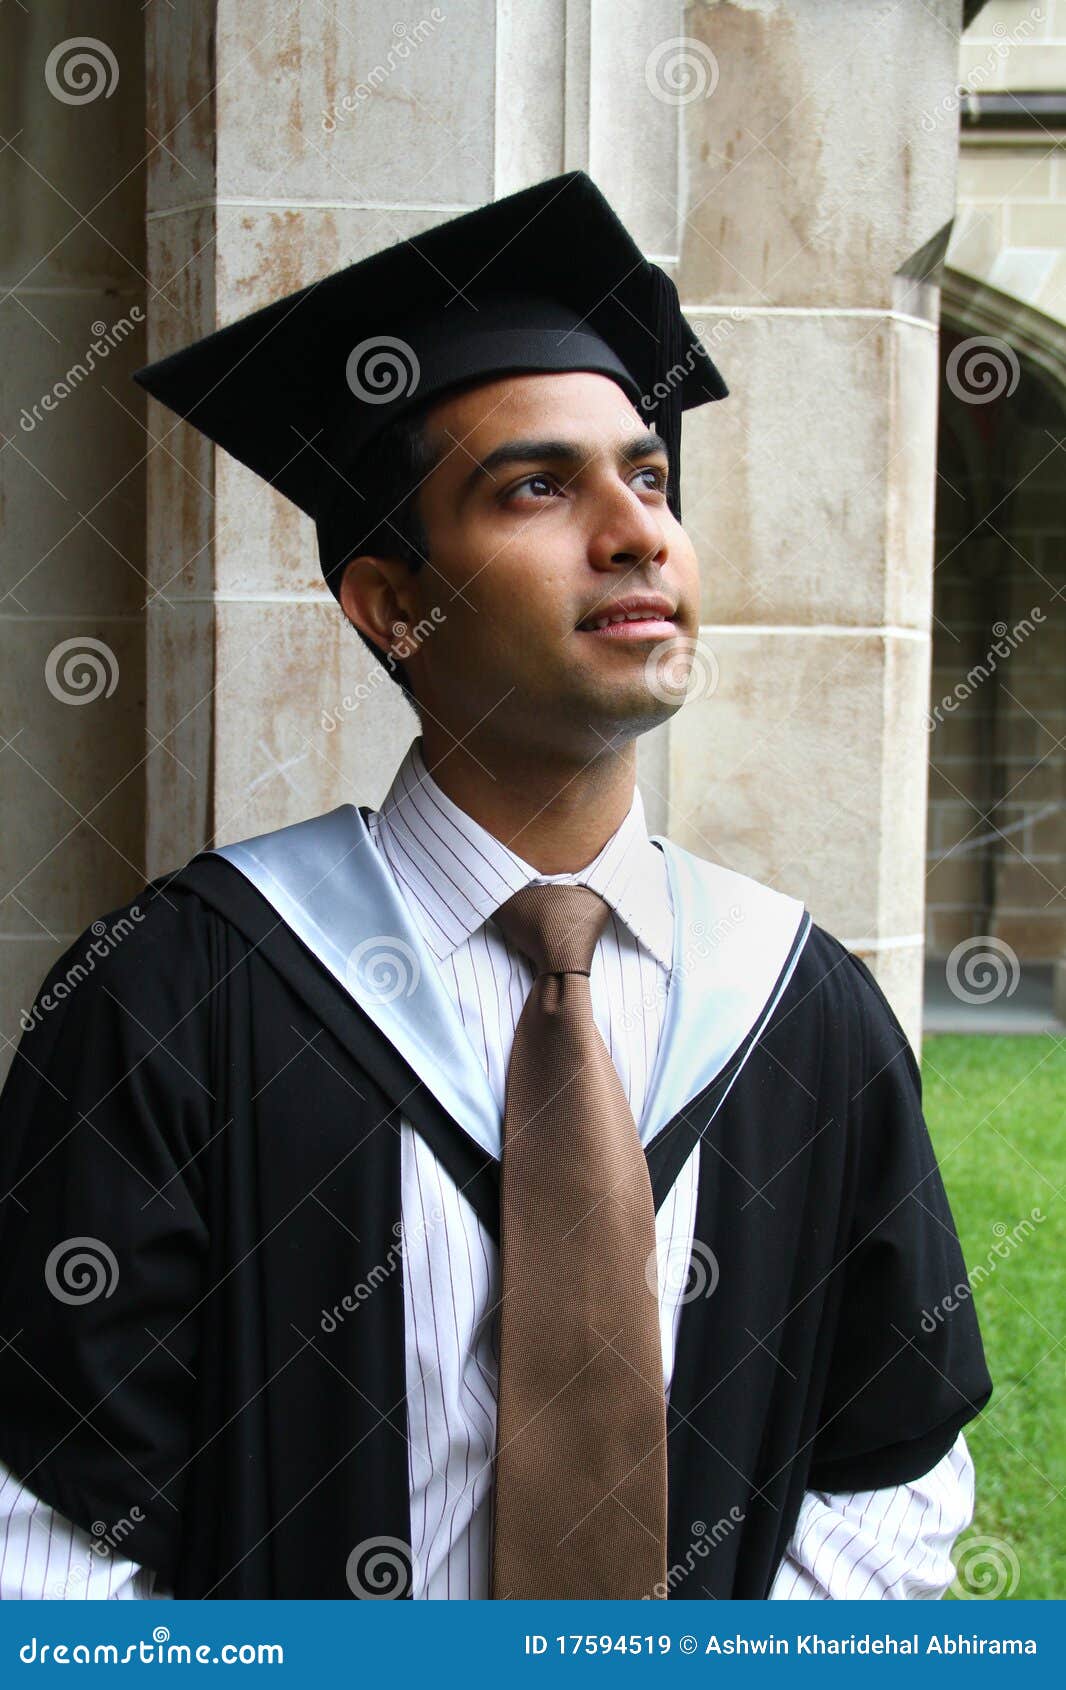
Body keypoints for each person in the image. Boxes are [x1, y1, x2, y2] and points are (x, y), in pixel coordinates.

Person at [0, 171, 990, 1601]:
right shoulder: (169, 998)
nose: (635, 528)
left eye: (647, 477)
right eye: (538, 485)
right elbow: (50, 1530)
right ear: (393, 603)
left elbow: (881, 1479)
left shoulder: (802, 1009)